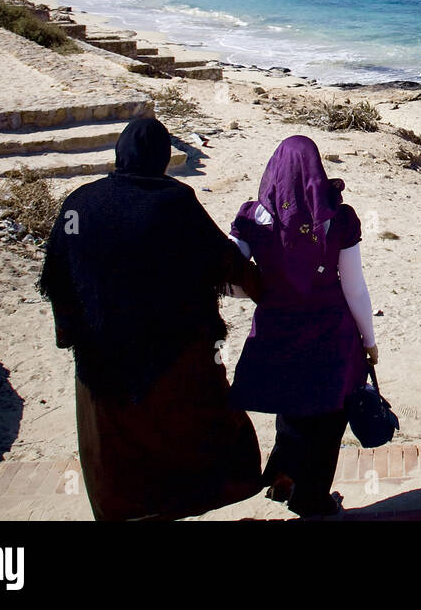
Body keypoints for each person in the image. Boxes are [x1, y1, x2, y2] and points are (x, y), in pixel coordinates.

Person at [39, 118, 263, 521]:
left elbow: (57, 278)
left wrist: (70, 334)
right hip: (176, 358)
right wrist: (271, 290)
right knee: (199, 448)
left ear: (119, 154)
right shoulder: (174, 201)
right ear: (161, 159)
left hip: (101, 364)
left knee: (121, 472)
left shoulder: (79, 202)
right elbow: (222, 262)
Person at [227, 135, 379, 519]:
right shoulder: (338, 218)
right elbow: (354, 287)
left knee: (291, 404)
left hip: (277, 330)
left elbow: (229, 281)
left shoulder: (254, 216)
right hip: (332, 334)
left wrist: (266, 288)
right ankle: (312, 498)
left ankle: (284, 476)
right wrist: (370, 339)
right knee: (329, 416)